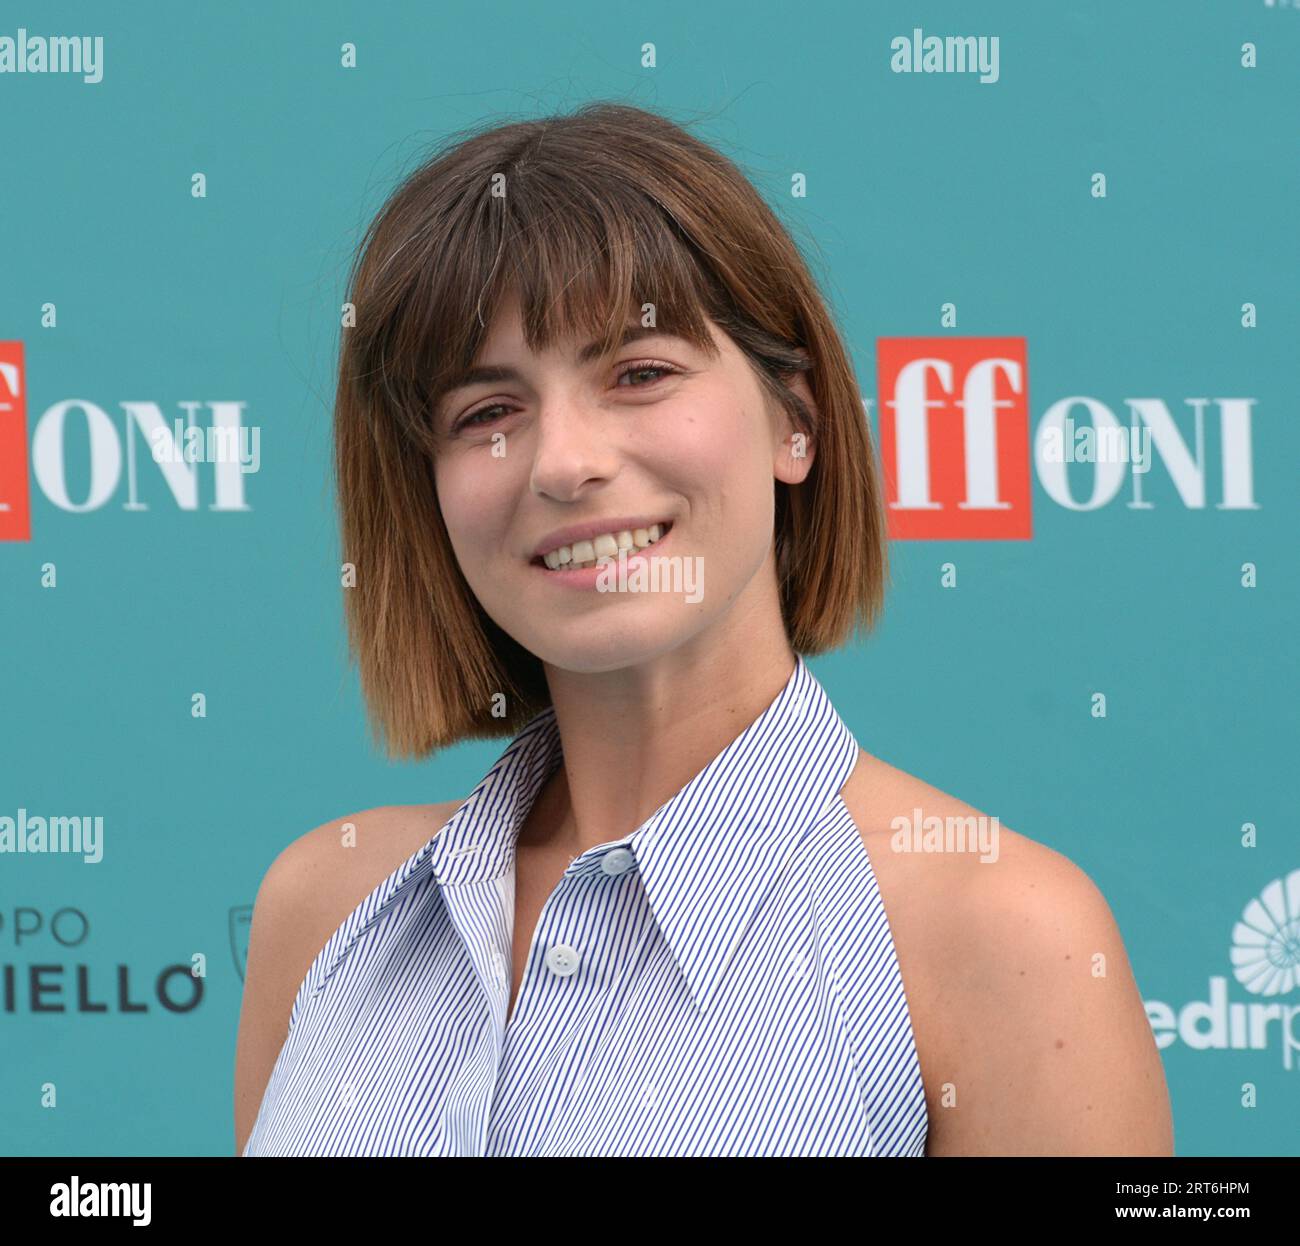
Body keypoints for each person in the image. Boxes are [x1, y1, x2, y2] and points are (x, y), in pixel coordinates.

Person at [233, 101, 1173, 1156]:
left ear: (796, 420)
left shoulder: (1004, 935)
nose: (563, 462)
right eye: (486, 412)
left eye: (638, 374)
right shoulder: (327, 907)